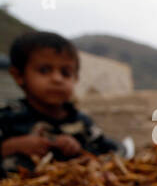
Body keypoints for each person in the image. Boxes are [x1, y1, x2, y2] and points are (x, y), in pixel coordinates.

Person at [1, 31, 125, 177]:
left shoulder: (82, 123)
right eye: (44, 70)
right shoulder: (7, 119)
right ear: (19, 76)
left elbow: (115, 152)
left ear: (76, 78)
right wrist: (11, 146)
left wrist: (80, 150)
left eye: (65, 73)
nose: (57, 79)